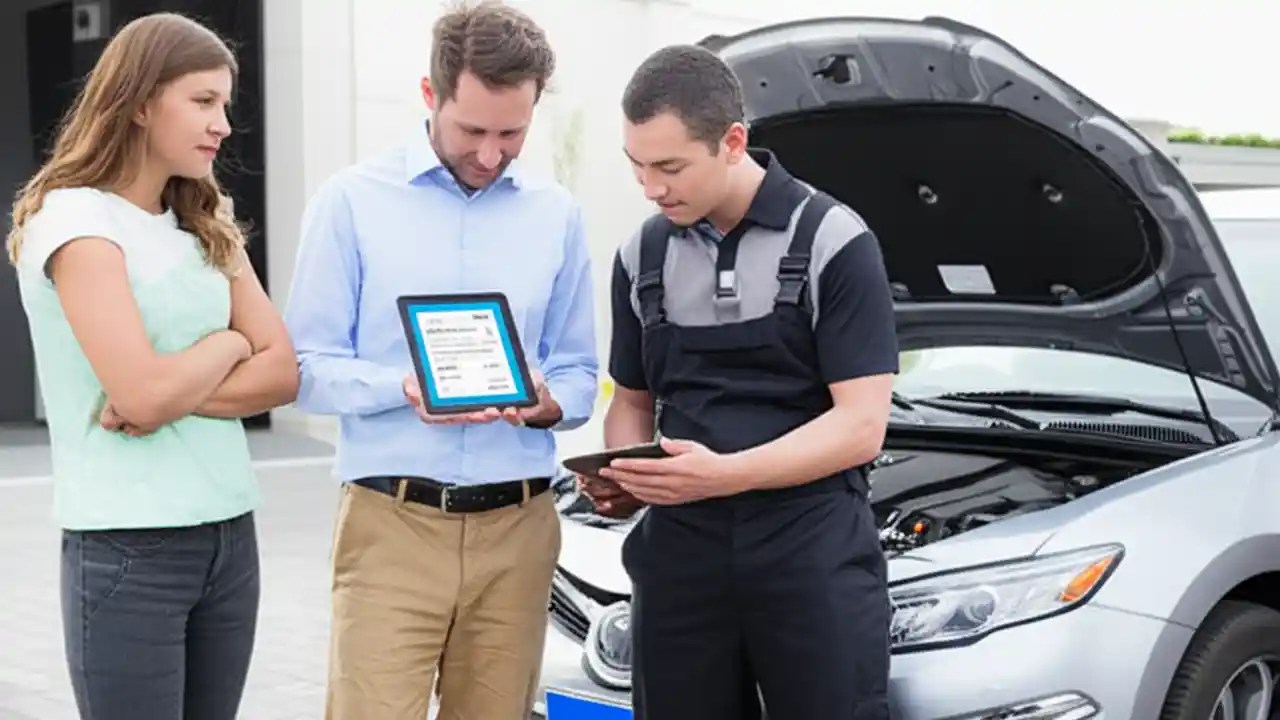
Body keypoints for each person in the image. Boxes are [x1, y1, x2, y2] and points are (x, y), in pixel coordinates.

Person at [282, 2, 597, 718]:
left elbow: (581, 371)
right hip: (392, 524)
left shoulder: (557, 214)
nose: (490, 154)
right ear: (430, 96)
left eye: (512, 133)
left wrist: (548, 402)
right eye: (472, 131)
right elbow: (305, 367)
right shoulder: (351, 203)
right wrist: (402, 385)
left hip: (520, 529)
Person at [581, 44, 898, 720]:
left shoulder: (835, 243)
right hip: (681, 563)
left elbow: (861, 425)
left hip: (809, 554)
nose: (652, 189)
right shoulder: (642, 255)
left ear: (732, 142)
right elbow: (632, 402)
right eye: (637, 166)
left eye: (670, 167)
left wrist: (725, 474)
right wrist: (625, 473)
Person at [5, 12, 299, 720]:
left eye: (224, 104)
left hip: (231, 536)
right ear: (139, 103)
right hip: (129, 549)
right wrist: (230, 345)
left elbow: (284, 372)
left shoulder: (206, 220)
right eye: (203, 101)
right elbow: (139, 395)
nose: (222, 124)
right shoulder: (73, 221)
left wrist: (172, 384)